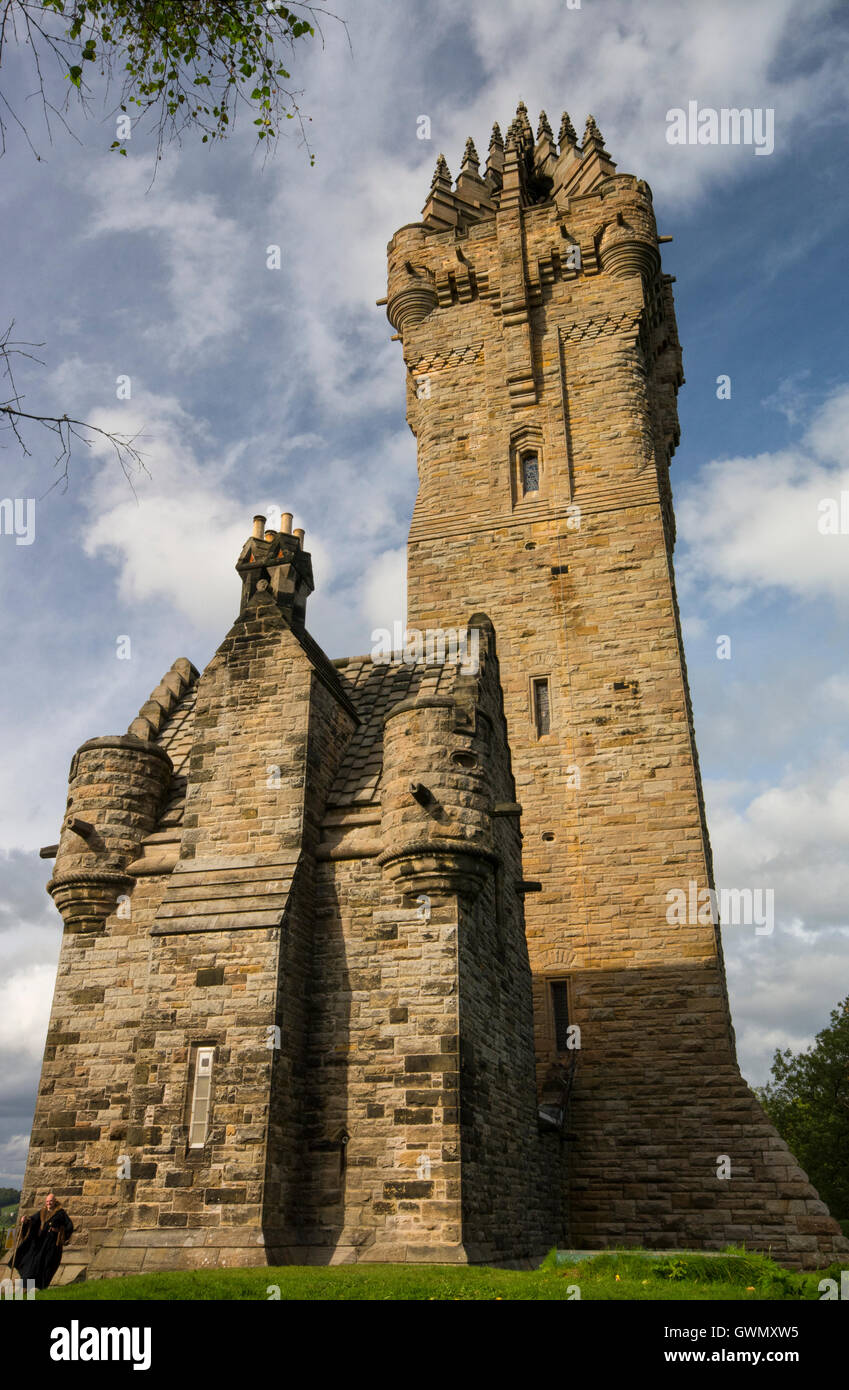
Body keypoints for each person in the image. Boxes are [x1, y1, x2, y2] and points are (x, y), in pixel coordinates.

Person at [12, 1193, 74, 1290]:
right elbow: (33, 1220)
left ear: (55, 1201)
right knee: (32, 1264)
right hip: (40, 1243)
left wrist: (60, 1232)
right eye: (47, 1201)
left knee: (47, 1265)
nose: (49, 1203)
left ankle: (41, 1286)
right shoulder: (42, 1212)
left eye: (51, 1201)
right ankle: (26, 1286)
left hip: (52, 1245)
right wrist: (26, 1220)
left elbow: (69, 1226)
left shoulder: (61, 1213)